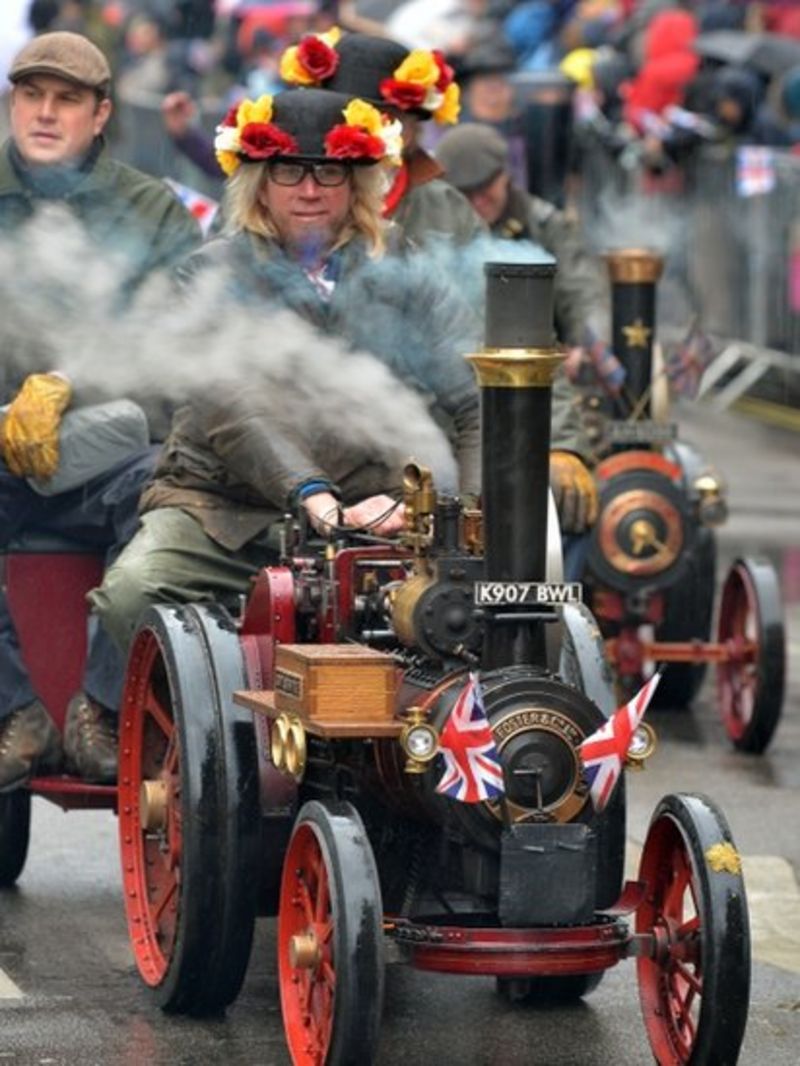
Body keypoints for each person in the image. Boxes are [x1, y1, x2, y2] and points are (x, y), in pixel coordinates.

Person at [90, 87, 597, 667]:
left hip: (375, 512)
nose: (309, 190)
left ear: (358, 183)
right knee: (132, 591)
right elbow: (233, 406)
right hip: (225, 512)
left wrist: (469, 518)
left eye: (330, 173)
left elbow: (475, 401)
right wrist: (314, 495)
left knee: (459, 615)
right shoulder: (208, 273)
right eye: (289, 172)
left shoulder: (403, 266)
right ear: (259, 181)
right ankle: (223, 700)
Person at [0, 31, 201, 789]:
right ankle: (11, 715)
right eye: (31, 95)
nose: (45, 113)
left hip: (111, 453)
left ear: (100, 113)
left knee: (172, 503)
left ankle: (103, 714)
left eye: (67, 99)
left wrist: (68, 385)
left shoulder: (151, 211)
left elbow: (175, 341)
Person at [279, 30, 486, 245]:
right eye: (348, 117)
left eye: (385, 119)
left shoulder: (444, 206)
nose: (364, 132)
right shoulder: (293, 195)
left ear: (409, 130)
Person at [435, 121, 609, 352]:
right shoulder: (437, 231)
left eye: (485, 186)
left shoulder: (546, 225)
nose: (478, 201)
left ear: (505, 174)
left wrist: (588, 342)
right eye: (465, 192)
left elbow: (581, 290)